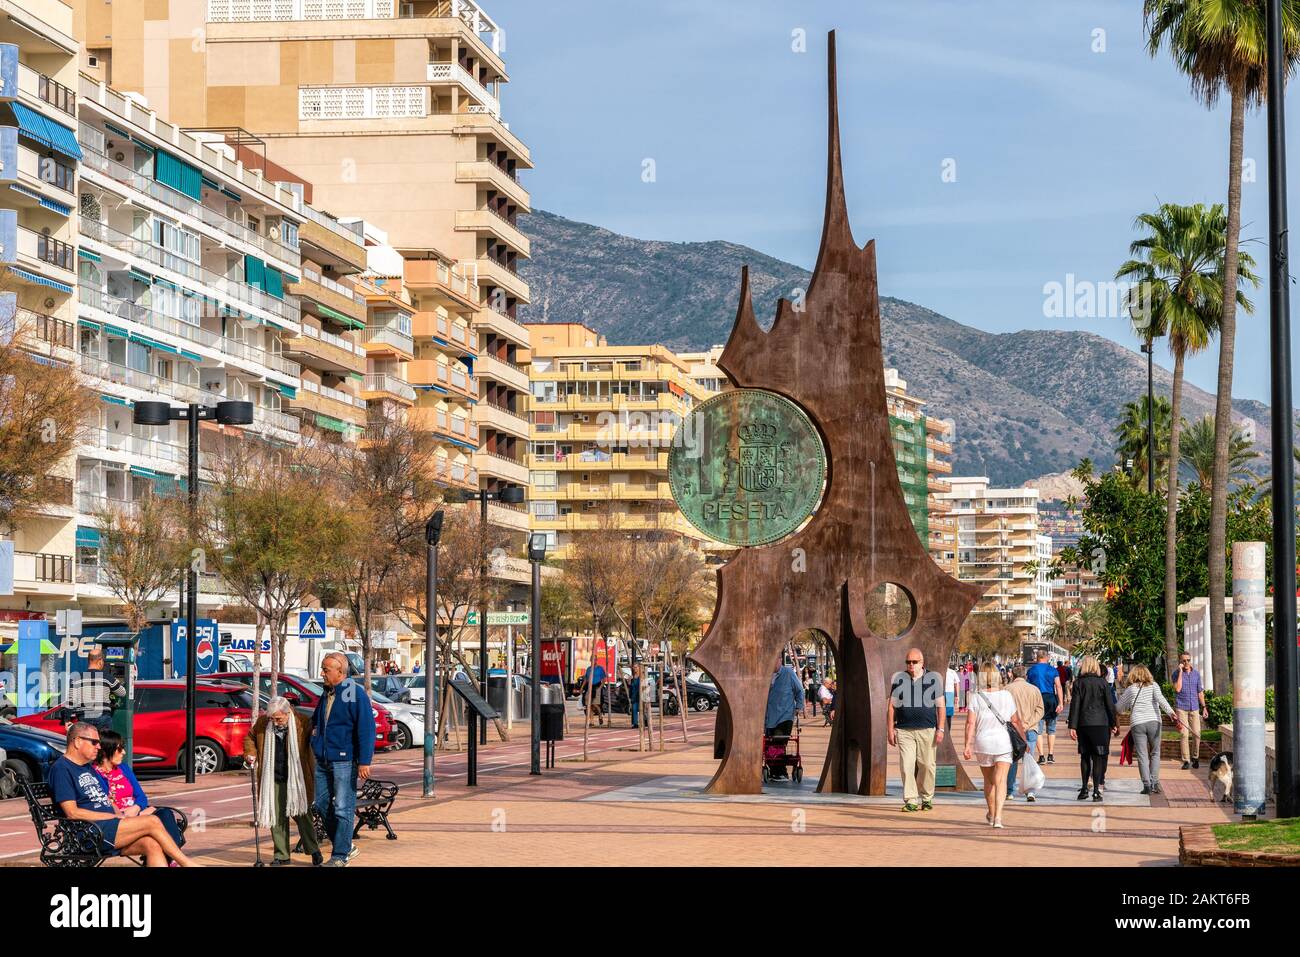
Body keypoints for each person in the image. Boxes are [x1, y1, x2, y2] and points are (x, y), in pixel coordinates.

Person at [50, 721, 197, 867]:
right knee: (151, 821)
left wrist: (120, 814)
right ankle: (187, 864)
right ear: (77, 742)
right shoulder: (62, 769)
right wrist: (115, 816)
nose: (99, 747)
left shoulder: (87, 767)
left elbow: (108, 800)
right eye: (94, 742)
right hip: (89, 833)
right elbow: (72, 813)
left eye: (99, 743)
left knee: (151, 844)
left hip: (109, 828)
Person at [311, 651, 375, 867]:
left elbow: (366, 728)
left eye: (326, 669)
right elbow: (317, 722)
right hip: (323, 759)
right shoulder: (326, 693)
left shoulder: (353, 693)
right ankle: (346, 845)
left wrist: (365, 761)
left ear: (340, 672)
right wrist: (315, 741)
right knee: (320, 804)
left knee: (343, 808)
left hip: (344, 761)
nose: (322, 673)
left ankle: (340, 855)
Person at [246, 695, 322, 866]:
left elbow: (317, 739)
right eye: (272, 718)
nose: (275, 722)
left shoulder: (303, 722)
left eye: (278, 718)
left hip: (297, 778)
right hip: (273, 776)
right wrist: (250, 753)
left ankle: (314, 850)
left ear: (288, 713)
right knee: (277, 815)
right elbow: (250, 737)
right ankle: (281, 855)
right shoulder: (263, 723)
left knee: (303, 815)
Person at [92, 729, 187, 855]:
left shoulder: (123, 768)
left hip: (137, 812)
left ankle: (172, 856)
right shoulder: (94, 774)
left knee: (165, 813)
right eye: (120, 749)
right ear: (105, 752)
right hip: (118, 820)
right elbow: (105, 804)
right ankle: (174, 857)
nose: (124, 753)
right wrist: (133, 814)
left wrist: (136, 808)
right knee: (156, 823)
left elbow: (141, 797)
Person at [963, 676, 1025, 829]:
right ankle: (998, 817)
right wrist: (1023, 739)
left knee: (989, 781)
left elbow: (970, 723)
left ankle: (991, 813)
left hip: (983, 743)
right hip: (1003, 742)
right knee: (1001, 780)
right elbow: (1015, 720)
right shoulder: (1006, 695)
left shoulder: (976, 697)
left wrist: (967, 745)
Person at [887, 649, 944, 812]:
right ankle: (911, 800)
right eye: (908, 662)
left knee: (927, 765)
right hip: (904, 730)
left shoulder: (933, 679)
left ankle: (926, 798)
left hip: (927, 729)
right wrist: (890, 730)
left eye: (914, 662)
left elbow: (940, 706)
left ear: (922, 663)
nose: (911, 665)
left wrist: (940, 729)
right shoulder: (899, 679)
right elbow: (891, 706)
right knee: (907, 766)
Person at [1117, 665, 1180, 796]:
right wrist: (1171, 713)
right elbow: (1161, 700)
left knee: (1142, 755)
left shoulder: (1131, 689)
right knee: (1155, 753)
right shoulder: (1154, 686)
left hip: (1138, 723)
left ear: (1133, 675)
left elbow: (1118, 708)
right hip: (1154, 722)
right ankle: (1155, 783)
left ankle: (1146, 785)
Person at [1067, 655, 1118, 802]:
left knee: (1085, 756)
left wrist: (1072, 726)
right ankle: (1096, 791)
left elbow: (1075, 705)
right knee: (1098, 757)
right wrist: (1113, 723)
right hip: (1101, 724)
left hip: (1084, 724)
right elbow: (1110, 705)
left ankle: (1084, 789)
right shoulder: (1102, 683)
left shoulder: (1078, 683)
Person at [1004, 665, 1044, 803]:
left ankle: (1009, 790)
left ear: (1013, 675)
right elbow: (1040, 710)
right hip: (1031, 729)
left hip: (1012, 730)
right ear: (1025, 675)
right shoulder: (1034, 690)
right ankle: (1030, 791)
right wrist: (1028, 723)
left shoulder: (1007, 690)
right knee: (1029, 760)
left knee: (1012, 761)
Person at [763, 659, 805, 780]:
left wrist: (799, 707)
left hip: (784, 717)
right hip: (769, 718)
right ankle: (774, 772)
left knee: (778, 743)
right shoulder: (766, 675)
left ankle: (780, 773)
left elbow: (799, 690)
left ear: (779, 660)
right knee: (768, 745)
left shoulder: (788, 673)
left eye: (774, 660)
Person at [66, 649, 123, 732]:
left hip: (84, 718)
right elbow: (122, 693)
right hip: (103, 716)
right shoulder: (107, 677)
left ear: (88, 660)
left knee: (87, 743)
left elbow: (71, 701)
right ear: (100, 661)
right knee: (104, 743)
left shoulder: (76, 679)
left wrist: (67, 719)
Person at [1027, 650, 1063, 765]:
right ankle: (1051, 755)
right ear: (1047, 657)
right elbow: (1058, 686)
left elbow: (1029, 686)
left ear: (1037, 658)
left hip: (1037, 699)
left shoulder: (1031, 670)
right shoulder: (1053, 670)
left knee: (1038, 729)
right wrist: (1061, 703)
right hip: (1051, 699)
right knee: (1051, 729)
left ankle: (1041, 756)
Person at [1173, 653, 1209, 770]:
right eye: (1183, 661)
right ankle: (1186, 760)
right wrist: (1179, 672)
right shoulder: (1176, 674)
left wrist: (1204, 707)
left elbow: (1200, 692)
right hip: (1181, 708)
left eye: (1188, 660)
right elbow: (1178, 689)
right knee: (1184, 734)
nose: (1186, 663)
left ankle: (1195, 757)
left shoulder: (1196, 674)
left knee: (1197, 733)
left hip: (1194, 708)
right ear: (1180, 661)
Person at [943, 663, 959, 734]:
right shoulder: (939, 671)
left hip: (949, 694)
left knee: (948, 714)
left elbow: (957, 684)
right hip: (940, 693)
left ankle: (948, 731)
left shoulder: (952, 672)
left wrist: (957, 696)